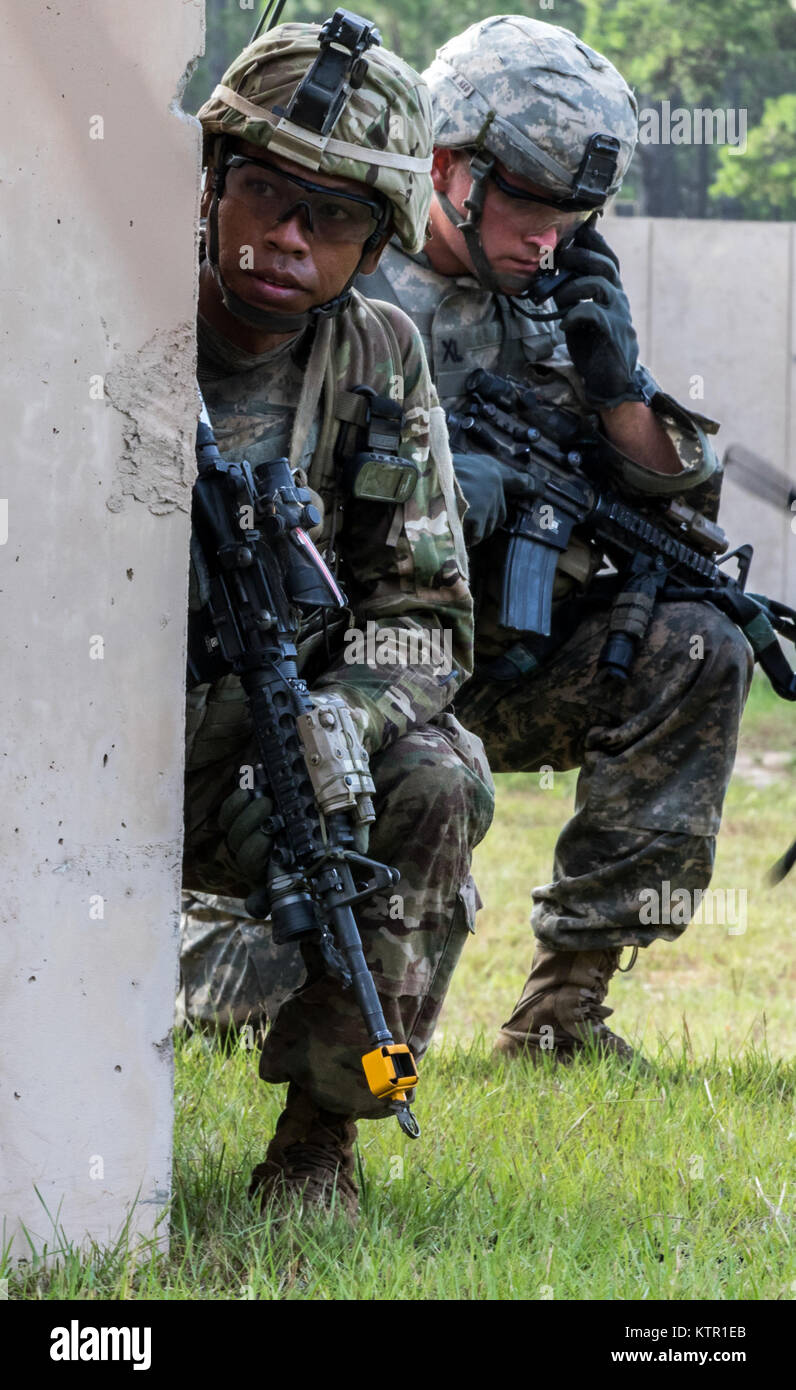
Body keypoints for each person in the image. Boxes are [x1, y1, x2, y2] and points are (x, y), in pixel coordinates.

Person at [359, 14, 752, 1064]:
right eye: (532, 212)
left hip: (502, 662)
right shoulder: (340, 273)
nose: (550, 242)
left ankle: (561, 1010)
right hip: (351, 668)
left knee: (701, 641)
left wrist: (619, 389)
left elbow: (683, 519)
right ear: (448, 169)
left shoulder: (557, 301)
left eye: (573, 219)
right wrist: (439, 495)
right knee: (232, 1007)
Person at [183, 15, 494, 1219]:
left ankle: (321, 1141)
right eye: (264, 193)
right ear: (213, 185)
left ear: (373, 246)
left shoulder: (380, 360)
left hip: (257, 756)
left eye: (334, 218)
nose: (286, 238)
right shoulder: (88, 304)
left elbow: (429, 615)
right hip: (59, 732)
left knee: (433, 778)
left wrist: (339, 723)